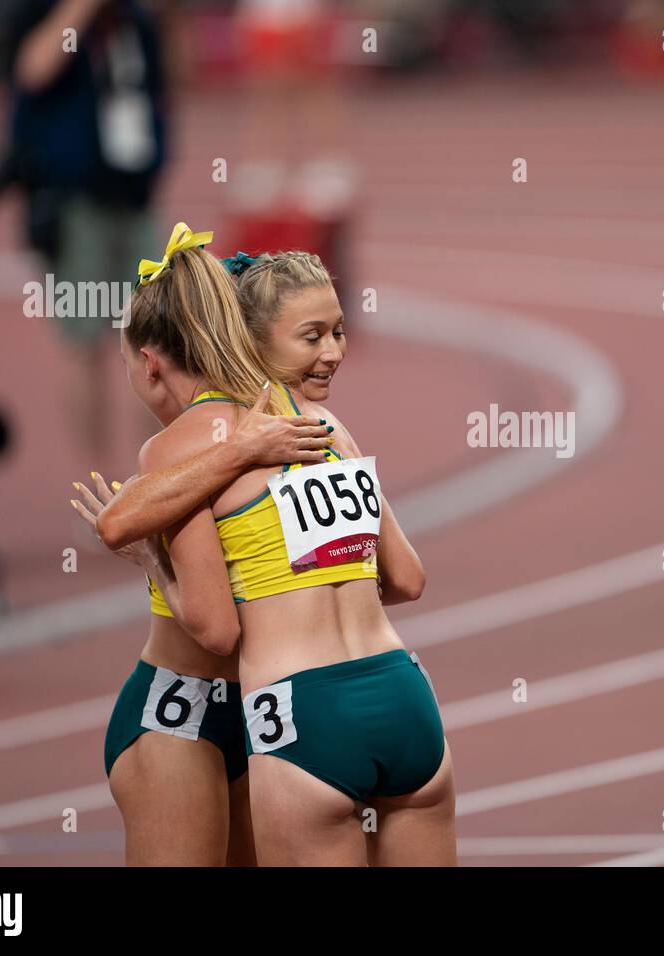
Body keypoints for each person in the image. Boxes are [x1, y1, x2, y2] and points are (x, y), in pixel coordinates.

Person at [76, 232, 455, 865]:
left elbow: (198, 610)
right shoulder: (324, 426)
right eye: (313, 336)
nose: (332, 352)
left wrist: (151, 557)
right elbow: (408, 579)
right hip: (396, 691)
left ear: (147, 363)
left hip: (288, 707)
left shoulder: (183, 446)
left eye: (335, 333)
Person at [1, 0, 167, 470]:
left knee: (159, 341)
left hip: (135, 196)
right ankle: (98, 486)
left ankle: (154, 479)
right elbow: (33, 69)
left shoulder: (133, 20)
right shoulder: (49, 13)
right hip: (74, 202)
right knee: (84, 345)